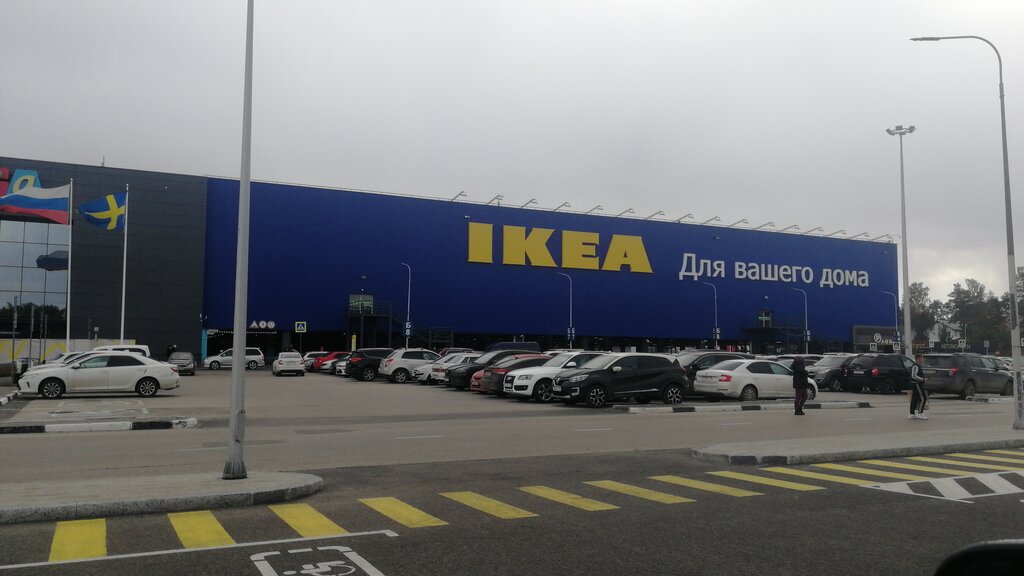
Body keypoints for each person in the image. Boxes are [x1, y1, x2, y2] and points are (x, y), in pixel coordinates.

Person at [909, 354, 928, 420]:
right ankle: (920, 413)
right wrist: (922, 379)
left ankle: (912, 413)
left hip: (917, 384)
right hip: (917, 384)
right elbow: (914, 376)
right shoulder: (915, 366)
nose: (922, 360)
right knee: (923, 398)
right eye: (921, 358)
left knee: (915, 399)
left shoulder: (918, 366)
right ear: (918, 359)